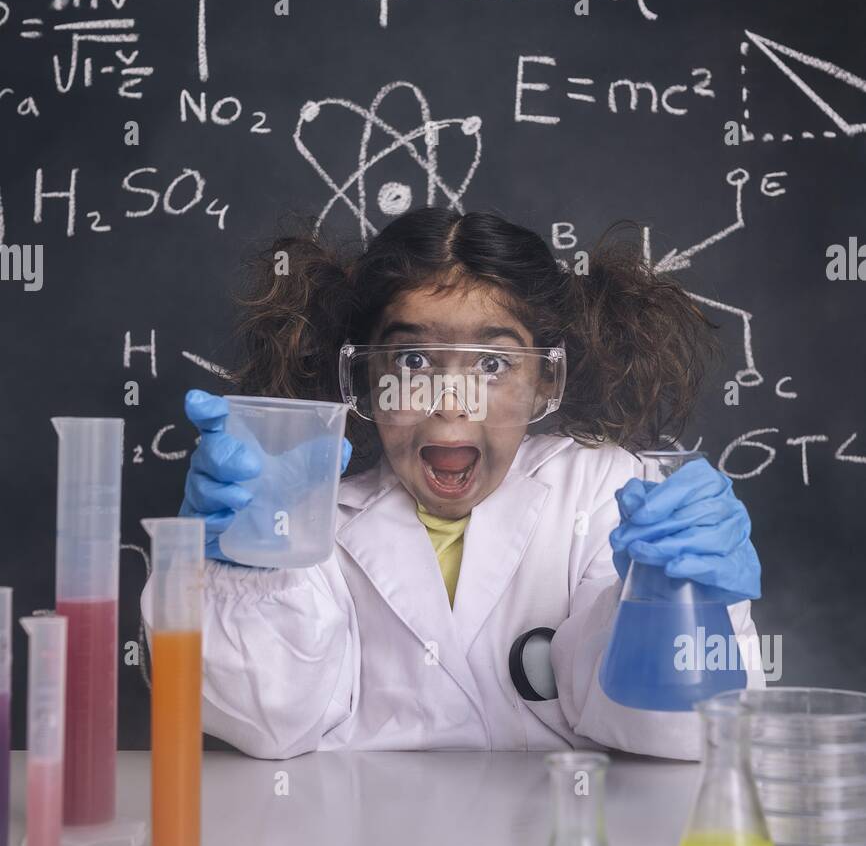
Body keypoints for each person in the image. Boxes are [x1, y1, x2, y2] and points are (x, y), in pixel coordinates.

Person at [143, 208, 763, 759]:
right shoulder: (308, 515)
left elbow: (673, 731)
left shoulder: (606, 490)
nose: (450, 403)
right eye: (412, 361)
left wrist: (679, 602)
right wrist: (244, 570)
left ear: (547, 382)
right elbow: (268, 723)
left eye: (493, 364)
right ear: (363, 379)